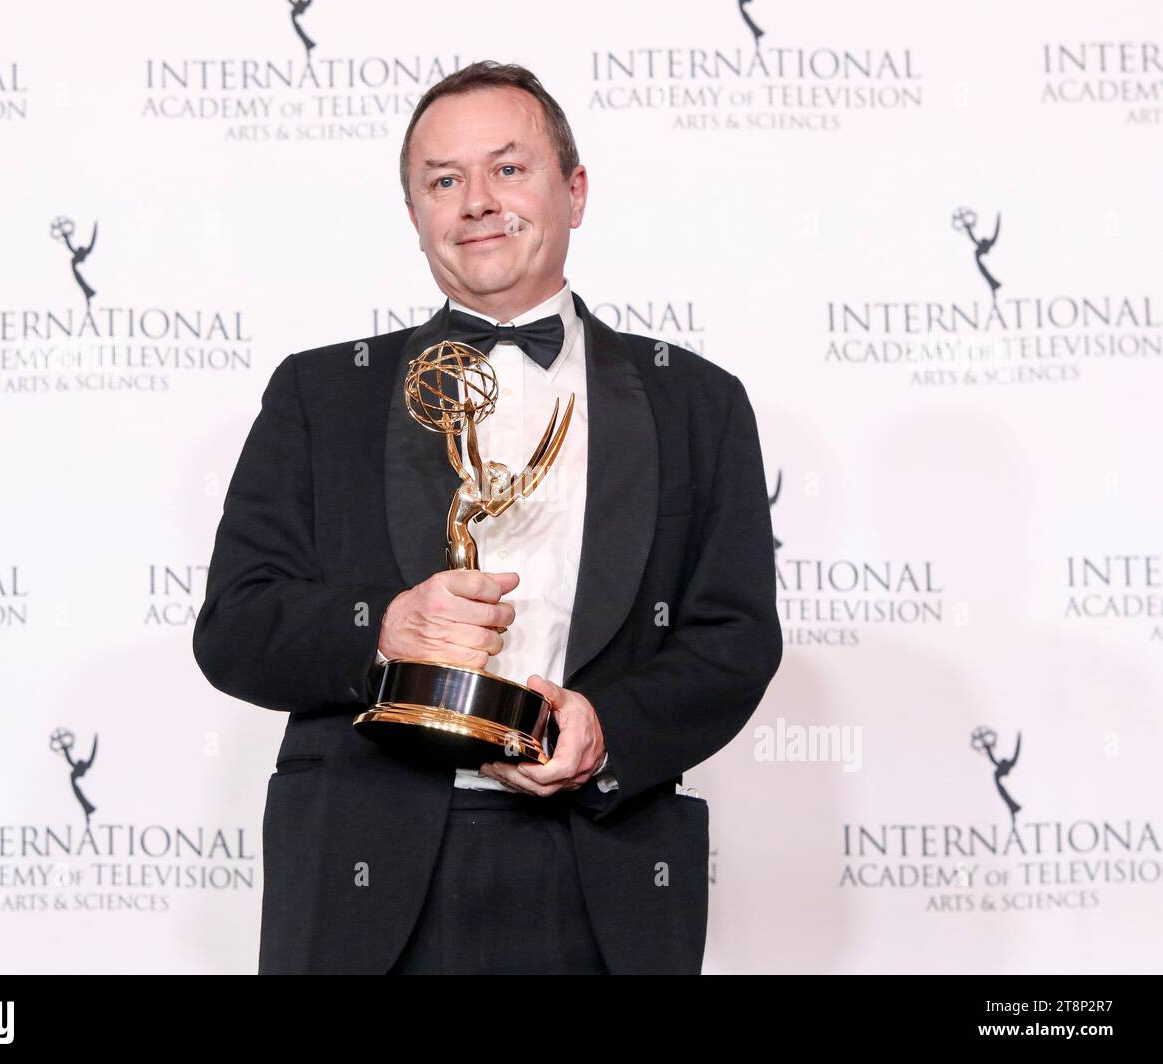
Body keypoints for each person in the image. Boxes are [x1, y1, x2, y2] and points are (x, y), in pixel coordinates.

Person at [192, 60, 782, 974]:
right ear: (416, 214)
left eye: (509, 169)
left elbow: (734, 639)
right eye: (443, 180)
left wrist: (605, 729)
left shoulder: (698, 404)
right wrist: (383, 629)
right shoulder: (320, 395)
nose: (476, 201)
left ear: (574, 191)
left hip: (604, 864)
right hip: (367, 864)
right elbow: (235, 627)